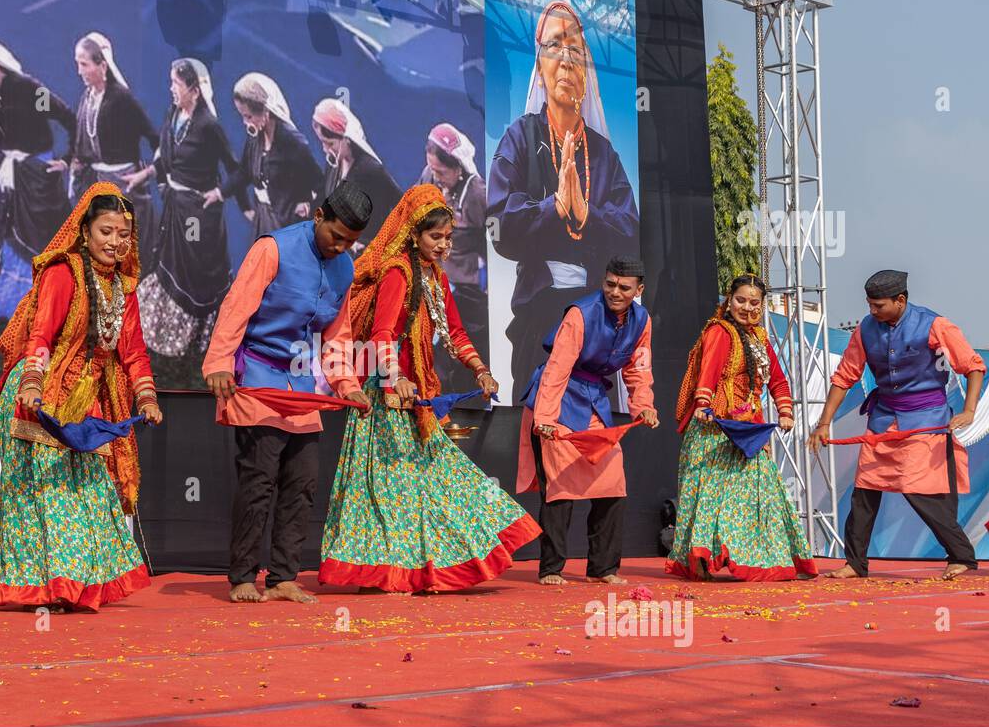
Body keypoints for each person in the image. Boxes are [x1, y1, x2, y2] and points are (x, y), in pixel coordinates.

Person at [318, 184, 541, 593]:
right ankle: (389, 571)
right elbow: (383, 333)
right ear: (414, 235)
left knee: (431, 482)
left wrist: (481, 372)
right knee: (387, 490)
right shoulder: (398, 273)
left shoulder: (435, 277)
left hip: (413, 394)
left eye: (448, 238)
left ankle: (417, 568)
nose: (443, 245)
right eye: (435, 237)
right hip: (387, 396)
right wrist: (394, 378)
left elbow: (455, 332)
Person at [0, 183, 161, 610]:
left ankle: (78, 586)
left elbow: (133, 351)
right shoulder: (63, 272)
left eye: (124, 234)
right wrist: (31, 383)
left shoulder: (124, 288)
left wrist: (146, 398)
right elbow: (41, 334)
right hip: (40, 393)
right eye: (106, 232)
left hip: (85, 401)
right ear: (85, 232)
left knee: (90, 492)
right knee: (48, 494)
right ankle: (48, 589)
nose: (115, 243)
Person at [202, 181, 374, 604]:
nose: (340, 248)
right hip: (259, 375)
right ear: (319, 216)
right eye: (336, 237)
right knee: (259, 480)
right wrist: (220, 364)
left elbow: (337, 336)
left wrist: (348, 386)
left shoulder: (345, 268)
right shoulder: (272, 249)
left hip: (302, 383)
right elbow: (235, 308)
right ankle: (243, 576)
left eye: (350, 242)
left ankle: (282, 577)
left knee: (303, 481)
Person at [487, 0, 638, 395]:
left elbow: (632, 236)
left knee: (589, 426)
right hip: (538, 316)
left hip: (596, 318)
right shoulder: (520, 137)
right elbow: (499, 225)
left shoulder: (604, 155)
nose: (567, 60)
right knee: (539, 424)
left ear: (589, 74)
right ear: (539, 65)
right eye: (555, 46)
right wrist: (552, 208)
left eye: (577, 51)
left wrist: (587, 215)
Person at [811, 270, 985, 580]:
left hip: (925, 421)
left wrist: (969, 410)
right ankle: (855, 563)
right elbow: (844, 376)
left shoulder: (934, 325)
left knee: (918, 489)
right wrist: (824, 422)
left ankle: (961, 556)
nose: (871, 312)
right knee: (864, 490)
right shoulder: (865, 329)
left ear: (900, 300)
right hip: (883, 420)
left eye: (878, 305)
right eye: (869, 305)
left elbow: (973, 366)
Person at [517, 256, 657, 585]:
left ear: (639, 289)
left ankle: (603, 568)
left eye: (624, 287)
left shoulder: (642, 320)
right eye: (610, 284)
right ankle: (551, 568)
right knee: (561, 489)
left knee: (612, 485)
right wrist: (546, 417)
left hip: (594, 404)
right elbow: (557, 368)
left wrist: (644, 406)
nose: (615, 292)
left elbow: (638, 370)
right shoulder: (581, 314)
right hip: (560, 401)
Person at [665, 275, 816, 581]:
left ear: (762, 305)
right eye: (741, 300)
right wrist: (704, 405)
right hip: (716, 430)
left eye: (754, 302)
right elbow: (708, 371)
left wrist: (785, 411)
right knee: (711, 498)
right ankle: (703, 559)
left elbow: (776, 379)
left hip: (749, 431)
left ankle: (756, 557)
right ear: (729, 300)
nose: (747, 307)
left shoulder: (759, 338)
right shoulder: (720, 332)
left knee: (761, 497)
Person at [126, 58, 240, 387]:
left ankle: (197, 344)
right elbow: (164, 156)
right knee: (168, 265)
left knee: (196, 275)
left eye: (176, 83)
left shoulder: (208, 125)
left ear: (193, 88)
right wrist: (145, 174)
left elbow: (233, 167)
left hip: (200, 214)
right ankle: (163, 339)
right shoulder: (174, 114)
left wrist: (222, 194)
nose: (171, 89)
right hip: (176, 208)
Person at [0, 32, 76, 333]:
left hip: (38, 174)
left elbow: (68, 118)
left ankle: (42, 313)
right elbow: (3, 129)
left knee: (37, 243)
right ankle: (3, 308)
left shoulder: (27, 88)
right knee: (12, 242)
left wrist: (68, 159)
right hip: (14, 176)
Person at [66, 32, 160, 271]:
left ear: (102, 65)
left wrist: (147, 173)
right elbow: (84, 140)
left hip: (125, 186)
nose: (79, 71)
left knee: (126, 251)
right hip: (99, 185)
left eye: (84, 64)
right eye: (78, 63)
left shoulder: (121, 99)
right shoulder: (88, 96)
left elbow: (156, 139)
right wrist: (71, 162)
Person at [419, 122, 488, 394]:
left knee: (458, 354)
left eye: (441, 172)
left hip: (468, 293)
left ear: (459, 167)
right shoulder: (429, 175)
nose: (435, 177)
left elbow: (494, 245)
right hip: (433, 283)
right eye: (432, 169)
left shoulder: (477, 194)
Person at [224, 72, 323, 238]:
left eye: (248, 116)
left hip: (287, 225)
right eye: (242, 116)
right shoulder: (255, 137)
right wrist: (220, 193)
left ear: (265, 112)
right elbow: (245, 172)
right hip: (263, 219)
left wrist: (310, 207)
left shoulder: (294, 143)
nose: (245, 122)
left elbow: (321, 185)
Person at [311, 98, 402, 252]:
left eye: (330, 144)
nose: (325, 150)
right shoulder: (333, 164)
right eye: (322, 143)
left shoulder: (370, 170)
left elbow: (401, 206)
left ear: (346, 140)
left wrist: (370, 244)